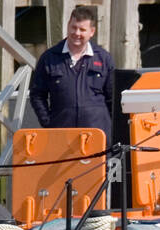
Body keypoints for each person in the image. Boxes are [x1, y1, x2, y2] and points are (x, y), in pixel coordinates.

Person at [29, 6, 116, 149]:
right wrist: (48, 122)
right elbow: (37, 95)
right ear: (68, 26)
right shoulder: (49, 58)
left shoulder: (104, 58)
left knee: (97, 172)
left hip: (97, 137)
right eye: (73, 27)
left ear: (91, 32)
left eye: (82, 30)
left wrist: (111, 128)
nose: (76, 33)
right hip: (62, 137)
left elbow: (113, 99)